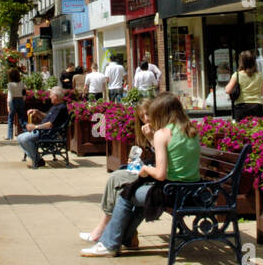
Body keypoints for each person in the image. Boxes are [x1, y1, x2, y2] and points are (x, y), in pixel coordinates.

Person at [81, 93, 201, 256]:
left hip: (172, 192)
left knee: (126, 195)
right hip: (193, 190)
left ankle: (109, 244)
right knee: (135, 194)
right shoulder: (191, 131)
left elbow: (160, 174)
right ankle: (125, 237)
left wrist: (145, 170)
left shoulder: (163, 134)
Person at [79, 99, 153, 246]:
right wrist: (135, 162)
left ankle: (104, 229)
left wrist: (151, 138)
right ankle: (116, 231)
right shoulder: (146, 129)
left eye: (147, 114)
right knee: (119, 176)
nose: (145, 118)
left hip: (154, 174)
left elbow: (161, 160)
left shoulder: (158, 131)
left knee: (117, 180)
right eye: (142, 116)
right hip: (147, 169)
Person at [16, 87, 70, 169]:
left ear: (56, 96)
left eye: (51, 95)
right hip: (44, 131)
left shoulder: (61, 108)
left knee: (25, 139)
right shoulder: (55, 106)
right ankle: (37, 158)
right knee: (20, 137)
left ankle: (37, 160)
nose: (50, 97)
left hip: (48, 134)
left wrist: (35, 127)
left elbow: (50, 124)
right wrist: (37, 112)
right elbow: (46, 116)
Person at [225, 50, 263, 121]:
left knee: (242, 130)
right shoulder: (259, 75)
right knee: (258, 129)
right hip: (257, 106)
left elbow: (227, 90)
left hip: (241, 106)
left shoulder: (237, 75)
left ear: (241, 62)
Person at [5, 67, 27, 141]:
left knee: (10, 118)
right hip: (20, 100)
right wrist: (23, 100)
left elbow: (10, 95)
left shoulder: (10, 84)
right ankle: (26, 131)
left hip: (13, 100)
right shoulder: (21, 83)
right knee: (22, 118)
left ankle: (9, 135)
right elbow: (24, 92)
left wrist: (8, 105)